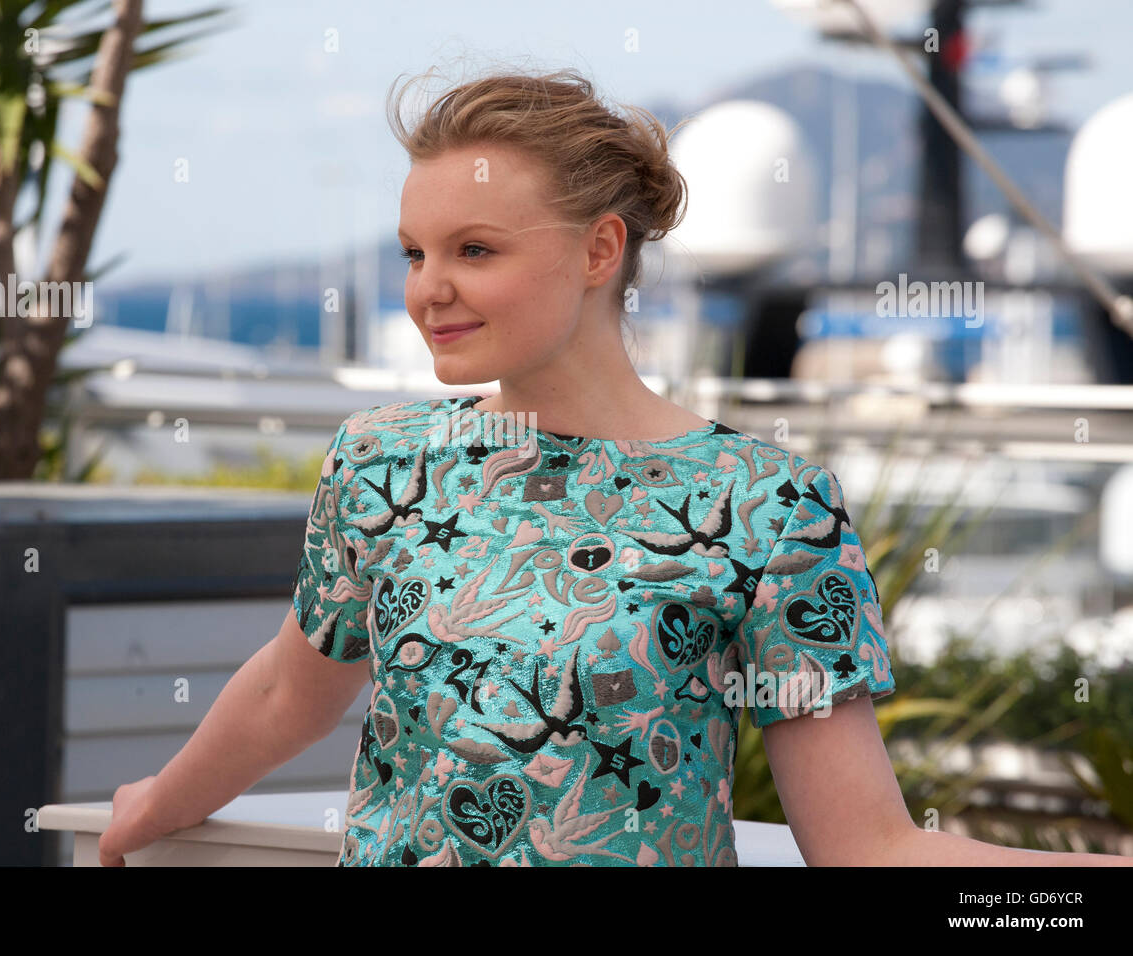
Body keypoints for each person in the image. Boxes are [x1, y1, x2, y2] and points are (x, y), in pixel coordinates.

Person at [99, 68, 1132, 867]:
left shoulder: (765, 506)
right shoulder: (383, 464)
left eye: (475, 250)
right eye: (416, 253)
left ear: (599, 252)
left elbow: (867, 847)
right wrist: (160, 802)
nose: (430, 290)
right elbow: (292, 688)